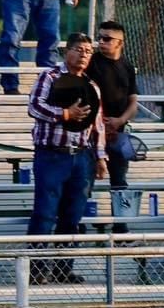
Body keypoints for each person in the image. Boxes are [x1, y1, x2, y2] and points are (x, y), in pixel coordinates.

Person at [26, 33, 106, 284]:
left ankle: (63, 269)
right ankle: (36, 270)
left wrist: (101, 156)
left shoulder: (92, 85)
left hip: (81, 156)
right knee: (45, 213)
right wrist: (65, 114)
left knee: (72, 216)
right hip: (52, 154)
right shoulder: (49, 77)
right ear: (67, 51)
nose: (84, 54)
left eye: (88, 51)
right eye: (79, 49)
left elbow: (98, 124)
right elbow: (34, 106)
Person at [85, 18, 140, 218]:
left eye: (107, 38)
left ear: (120, 42)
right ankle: (79, 227)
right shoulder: (91, 63)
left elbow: (133, 102)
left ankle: (121, 227)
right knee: (85, 181)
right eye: (99, 38)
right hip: (91, 133)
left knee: (119, 182)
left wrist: (120, 121)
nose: (101, 42)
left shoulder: (127, 66)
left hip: (117, 133)